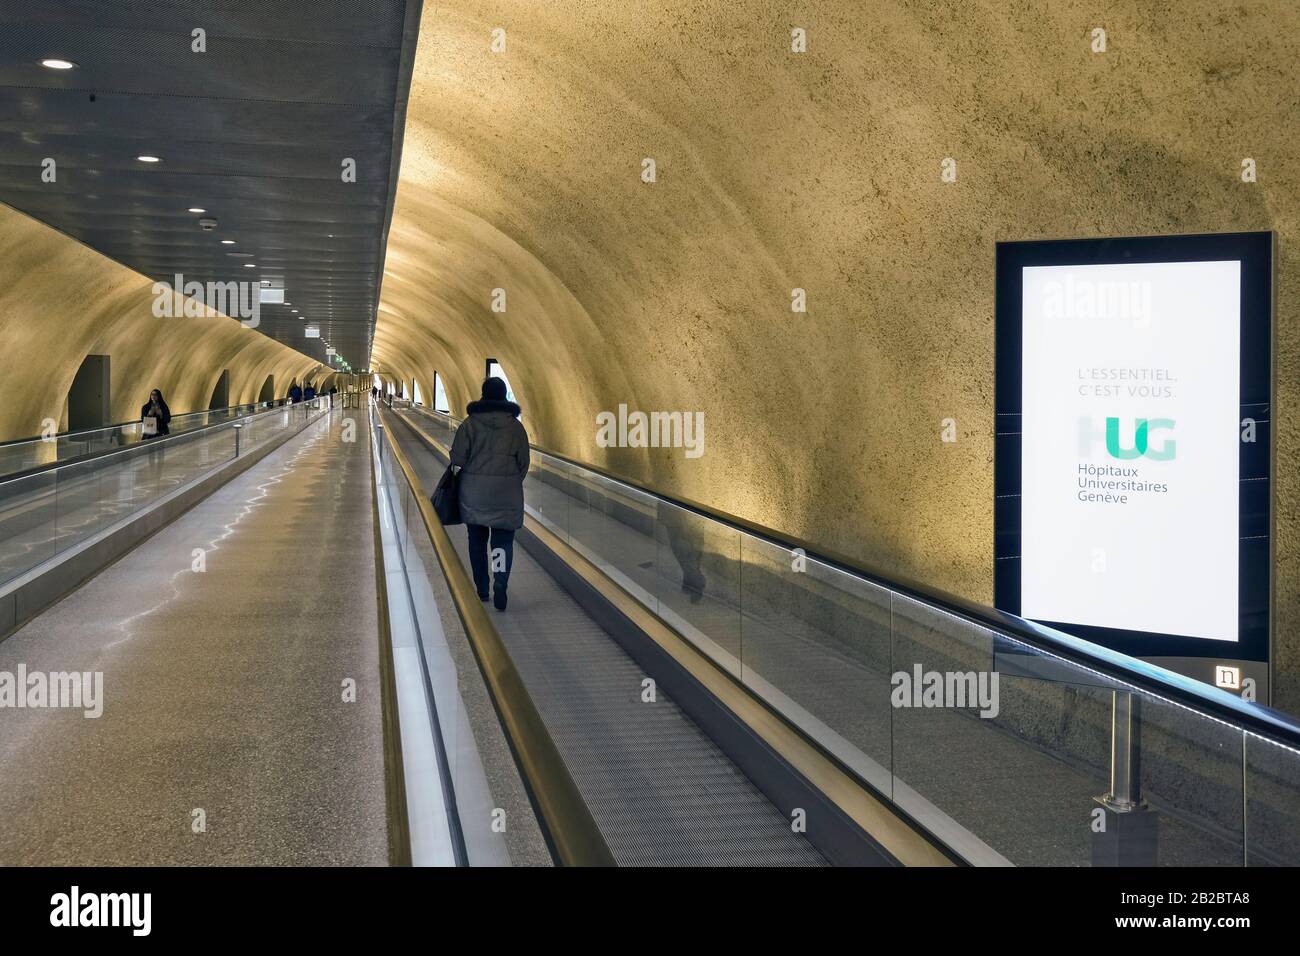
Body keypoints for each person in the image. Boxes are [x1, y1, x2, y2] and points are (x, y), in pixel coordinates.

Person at [449, 377, 529, 610]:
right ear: (504, 396)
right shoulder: (516, 427)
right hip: (506, 495)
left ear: (483, 394)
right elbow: (524, 463)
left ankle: (482, 588)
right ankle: (500, 583)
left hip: (473, 495)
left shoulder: (469, 425)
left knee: (477, 542)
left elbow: (458, 459)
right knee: (502, 543)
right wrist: (511, 482)